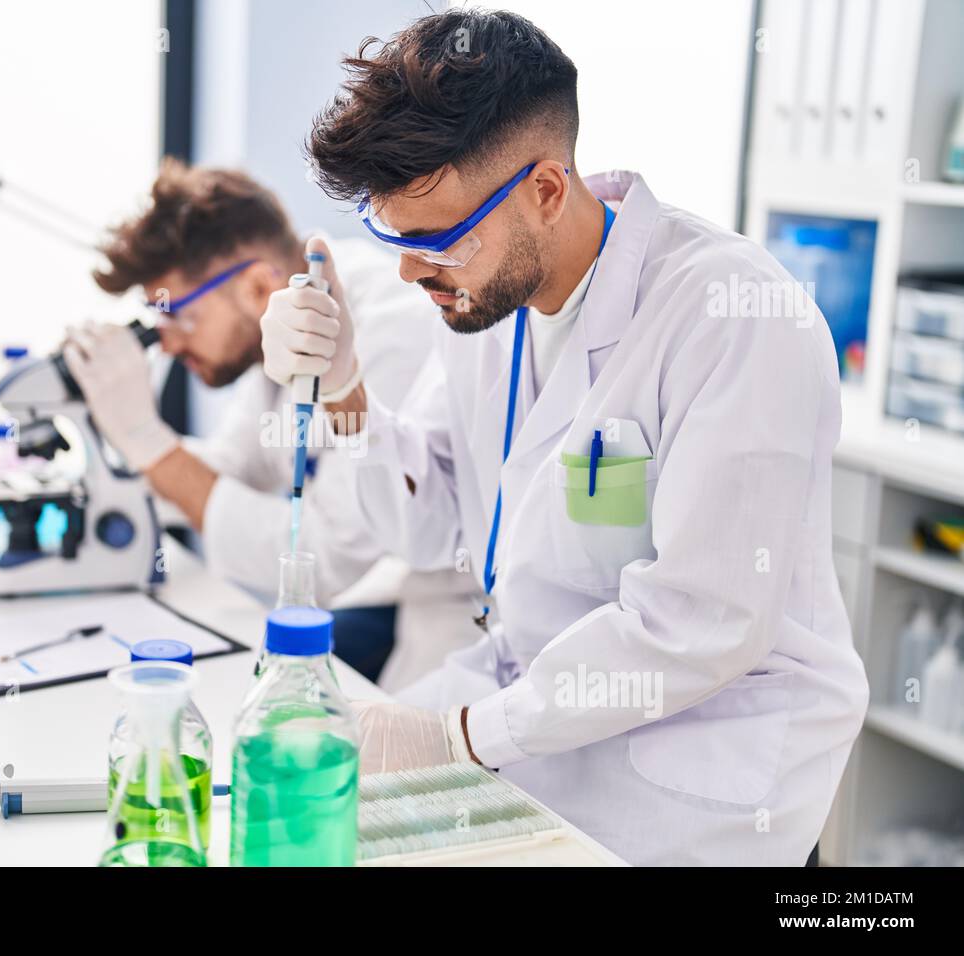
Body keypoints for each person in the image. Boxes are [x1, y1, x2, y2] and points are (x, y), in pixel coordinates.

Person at [258, 9, 868, 865]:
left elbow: (699, 623)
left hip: (700, 785)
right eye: (393, 234)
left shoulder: (731, 315)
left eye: (433, 237)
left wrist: (459, 737)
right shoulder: (486, 299)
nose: (409, 268)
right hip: (541, 732)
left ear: (547, 189)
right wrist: (347, 392)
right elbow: (429, 525)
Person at [62, 159, 477, 682]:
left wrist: (148, 443)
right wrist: (117, 426)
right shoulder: (281, 327)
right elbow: (235, 467)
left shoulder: (387, 328)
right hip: (367, 606)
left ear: (257, 287)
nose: (165, 340)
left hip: (429, 620)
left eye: (174, 313)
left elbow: (324, 558)